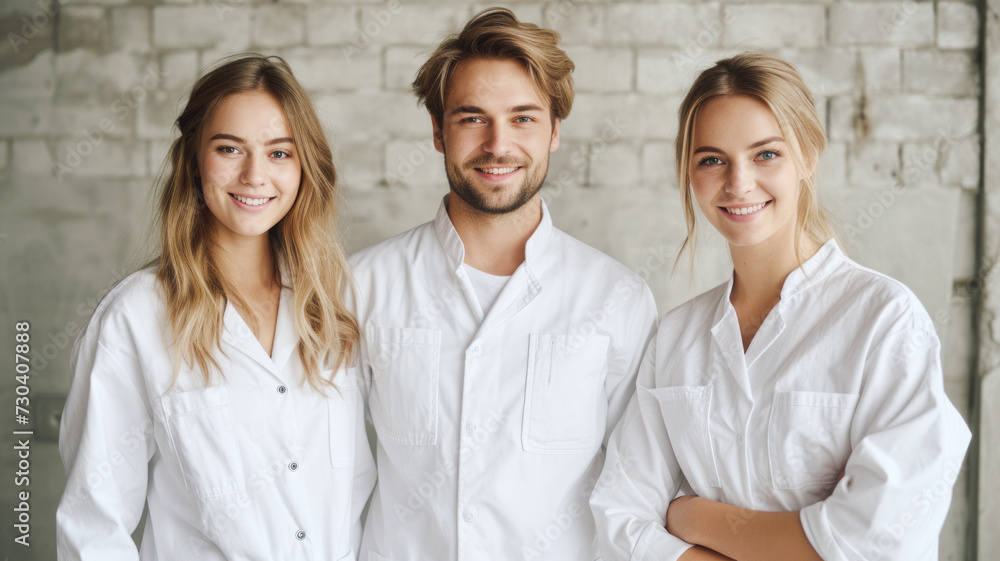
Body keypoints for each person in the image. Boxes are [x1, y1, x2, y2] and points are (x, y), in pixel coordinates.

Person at [590, 52, 971, 561]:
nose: (738, 183)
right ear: (689, 172)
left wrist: (690, 515)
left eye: (765, 154)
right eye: (711, 159)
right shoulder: (676, 337)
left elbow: (874, 539)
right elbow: (618, 518)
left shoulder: (884, 320)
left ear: (808, 154)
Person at [348, 8, 658, 560]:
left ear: (555, 131)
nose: (498, 144)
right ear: (438, 132)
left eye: (523, 118)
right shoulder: (363, 285)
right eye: (472, 118)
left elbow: (641, 488)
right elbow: (329, 472)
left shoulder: (617, 298)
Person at [56, 54, 375, 560]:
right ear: (193, 160)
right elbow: (93, 526)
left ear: (304, 167)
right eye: (230, 149)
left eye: (279, 153)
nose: (254, 175)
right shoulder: (136, 319)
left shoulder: (333, 309)